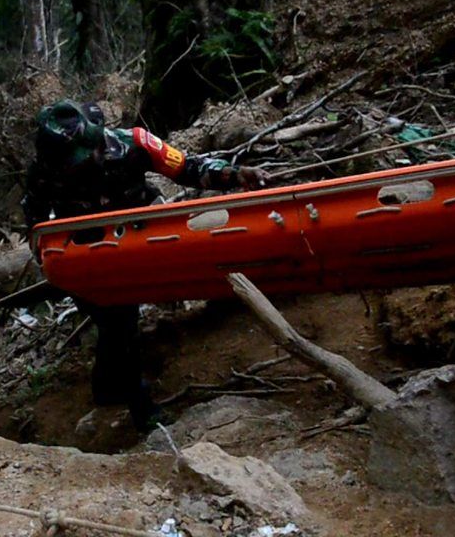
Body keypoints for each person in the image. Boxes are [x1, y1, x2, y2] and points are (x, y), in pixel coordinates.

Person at [22, 99, 270, 430]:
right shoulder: (44, 170)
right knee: (115, 320)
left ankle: (109, 388)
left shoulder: (135, 144)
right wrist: (48, 257)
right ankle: (139, 408)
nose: (75, 169)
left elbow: (188, 168)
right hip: (90, 251)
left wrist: (235, 174)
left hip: (141, 238)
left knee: (119, 322)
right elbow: (36, 220)